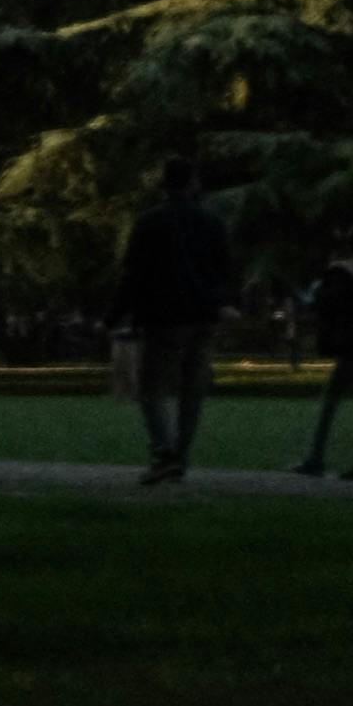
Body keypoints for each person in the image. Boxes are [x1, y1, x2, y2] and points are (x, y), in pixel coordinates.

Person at [118, 153, 241, 481]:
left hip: (163, 316)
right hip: (203, 315)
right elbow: (225, 269)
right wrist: (225, 303)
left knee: (151, 387)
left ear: (164, 183)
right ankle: (180, 455)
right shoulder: (212, 222)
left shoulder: (149, 222)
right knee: (192, 390)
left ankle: (164, 450)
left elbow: (132, 272)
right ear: (193, 182)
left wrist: (115, 314)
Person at [302, 241, 353, 479]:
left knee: (331, 401)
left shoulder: (342, 273)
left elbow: (324, 303)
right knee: (330, 400)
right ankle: (315, 457)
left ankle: (316, 458)